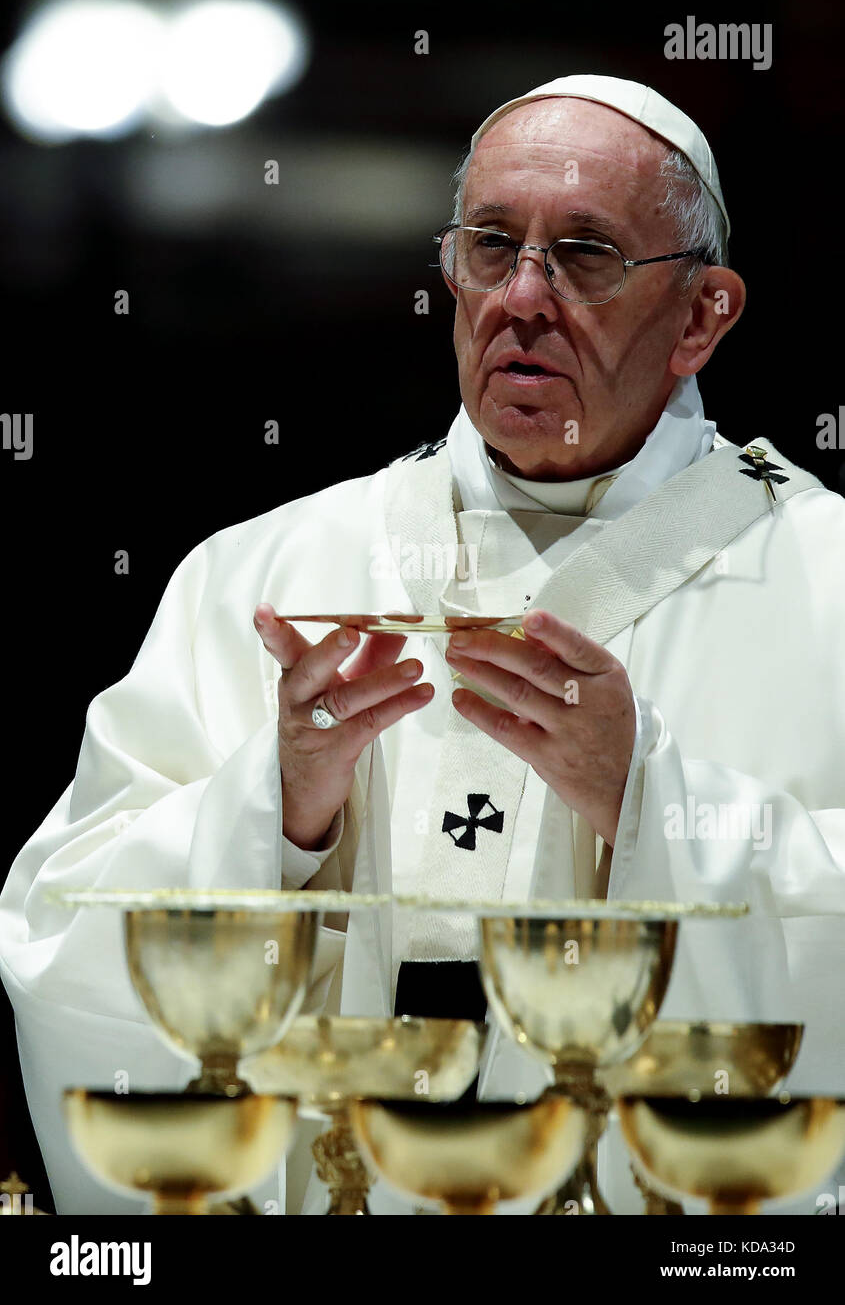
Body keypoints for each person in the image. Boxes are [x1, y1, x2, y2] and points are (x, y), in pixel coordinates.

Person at [1, 74, 844, 1217]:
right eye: (489, 247)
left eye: (585, 254)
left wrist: (655, 807)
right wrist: (273, 814)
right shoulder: (265, 574)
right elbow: (60, 927)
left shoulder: (822, 580)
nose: (522, 297)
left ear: (702, 314)